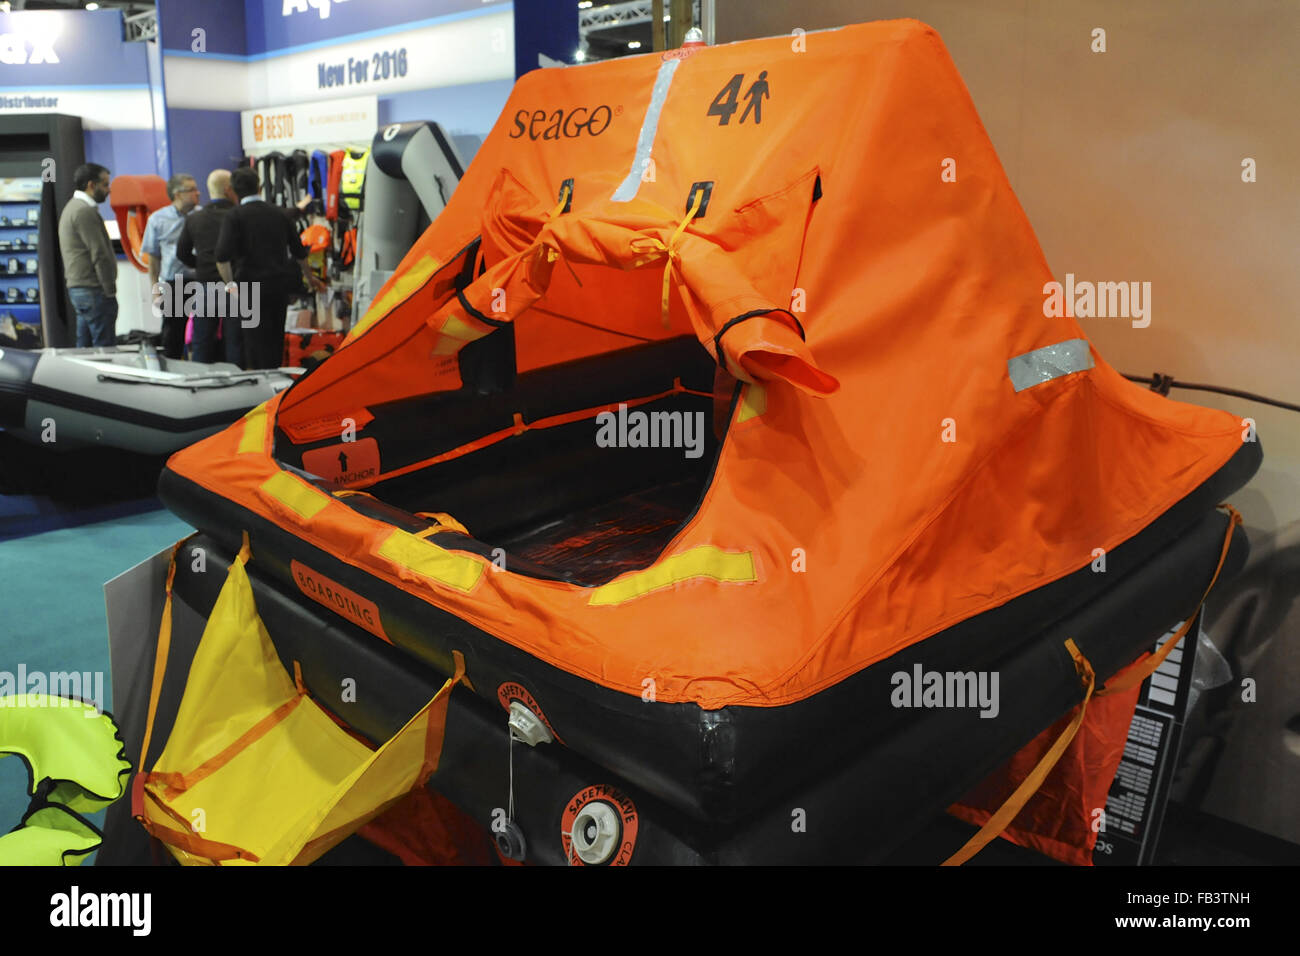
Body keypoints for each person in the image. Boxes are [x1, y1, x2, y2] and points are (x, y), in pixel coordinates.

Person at [215, 167, 324, 370]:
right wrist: (311, 279)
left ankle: (259, 390)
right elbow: (300, 253)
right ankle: (275, 389)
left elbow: (221, 257)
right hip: (277, 286)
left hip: (249, 287)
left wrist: (231, 286)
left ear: (232, 191)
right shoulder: (279, 213)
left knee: (254, 341)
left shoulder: (235, 216)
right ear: (260, 187)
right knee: (275, 338)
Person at [177, 170, 238, 365]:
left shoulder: (195, 218)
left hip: (205, 286)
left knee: (202, 337)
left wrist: (202, 265)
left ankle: (199, 381)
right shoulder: (237, 216)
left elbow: (182, 253)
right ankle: (238, 383)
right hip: (236, 284)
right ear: (229, 190)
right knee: (234, 338)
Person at [57, 163, 117, 347]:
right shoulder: (83, 211)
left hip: (82, 289)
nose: (109, 190)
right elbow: (99, 252)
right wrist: (109, 289)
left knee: (85, 347)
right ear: (91, 185)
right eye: (105, 184)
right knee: (104, 347)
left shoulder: (73, 208)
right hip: (93, 289)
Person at [143, 173, 200, 359]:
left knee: (203, 333)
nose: (197, 193)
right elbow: (153, 259)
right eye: (191, 189)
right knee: (172, 334)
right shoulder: (158, 220)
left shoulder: (202, 216)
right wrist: (155, 290)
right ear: (177, 194)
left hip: (201, 281)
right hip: (173, 283)